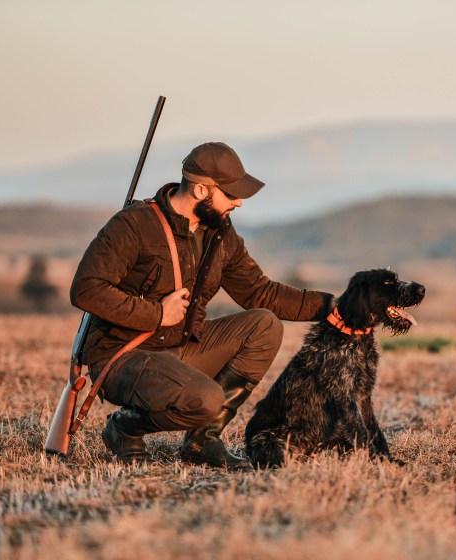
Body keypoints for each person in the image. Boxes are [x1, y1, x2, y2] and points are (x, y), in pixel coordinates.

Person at [70, 142, 333, 469]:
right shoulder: (134, 225)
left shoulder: (220, 233)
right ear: (199, 190)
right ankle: (125, 426)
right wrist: (157, 314)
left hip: (179, 347)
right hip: (124, 355)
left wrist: (334, 306)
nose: (238, 202)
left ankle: (201, 441)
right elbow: (86, 290)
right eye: (231, 193)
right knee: (207, 400)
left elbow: (259, 292)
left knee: (264, 325)